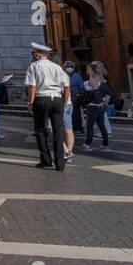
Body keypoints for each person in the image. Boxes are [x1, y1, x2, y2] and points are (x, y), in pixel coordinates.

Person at [26, 42, 69, 171]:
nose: (32, 55)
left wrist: (30, 103)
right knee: (58, 132)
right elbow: (66, 87)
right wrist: (65, 102)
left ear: (39, 54)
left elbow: (32, 86)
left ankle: (46, 160)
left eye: (33, 53)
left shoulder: (33, 67)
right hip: (56, 99)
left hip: (41, 99)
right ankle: (60, 163)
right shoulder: (57, 67)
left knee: (39, 130)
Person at [81, 60, 111, 150]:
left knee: (89, 126)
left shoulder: (92, 79)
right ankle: (105, 144)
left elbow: (93, 92)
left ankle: (88, 144)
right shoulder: (103, 80)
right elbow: (108, 94)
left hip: (92, 106)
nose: (87, 70)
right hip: (101, 106)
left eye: (88, 69)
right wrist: (105, 103)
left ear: (92, 70)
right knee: (101, 126)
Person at [62, 61, 85, 161]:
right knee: (69, 118)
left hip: (74, 98)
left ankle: (78, 128)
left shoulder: (76, 76)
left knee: (76, 114)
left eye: (70, 66)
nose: (69, 68)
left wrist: (77, 94)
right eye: (68, 66)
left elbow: (82, 88)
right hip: (66, 99)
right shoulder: (63, 75)